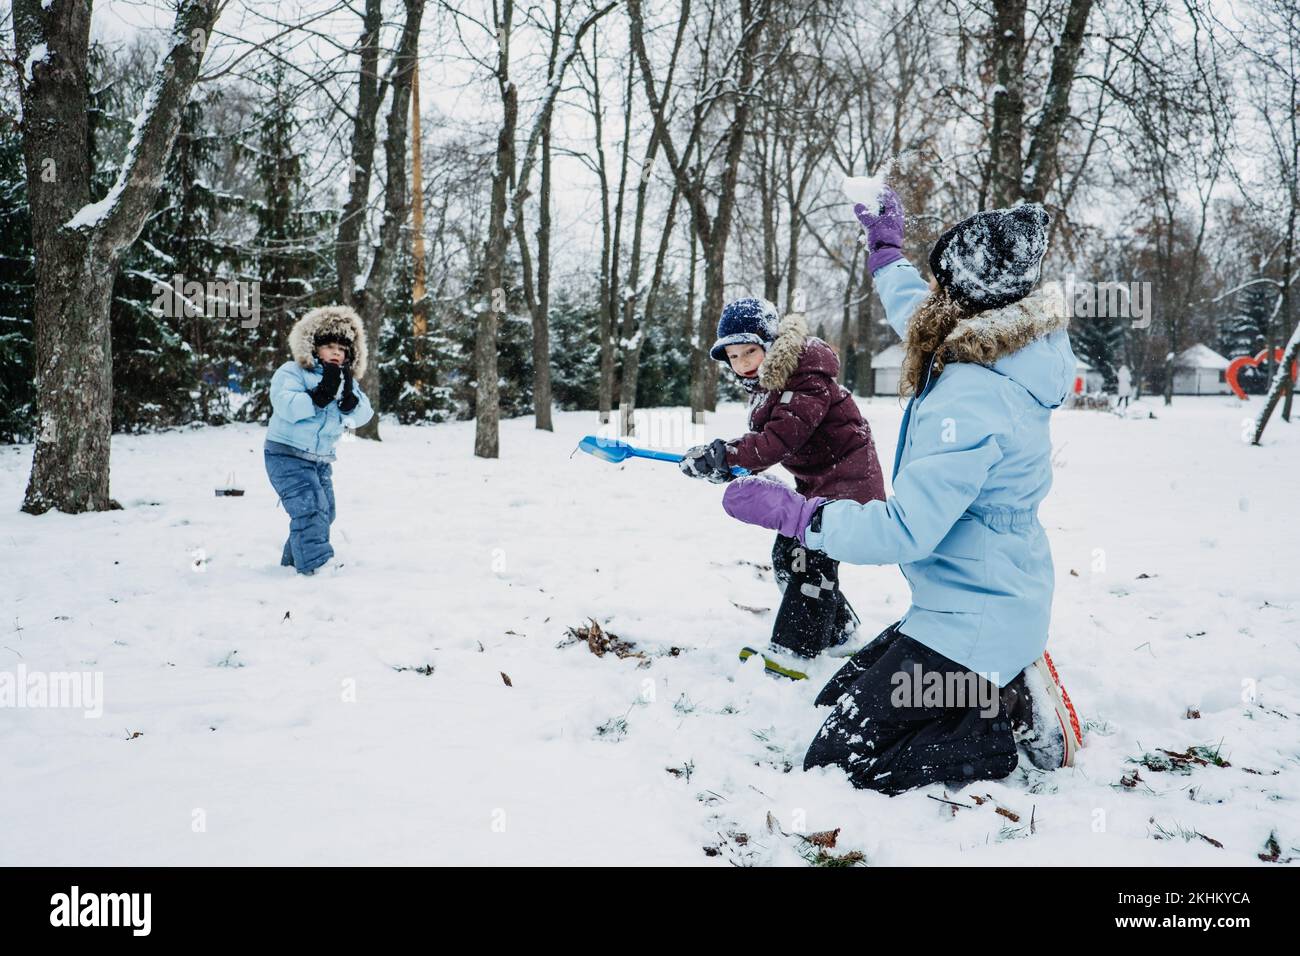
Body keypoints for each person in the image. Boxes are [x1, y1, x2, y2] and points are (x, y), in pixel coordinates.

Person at [721, 188, 1083, 794]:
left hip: (976, 616)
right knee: (836, 697)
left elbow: (904, 531)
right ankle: (992, 681)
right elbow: (919, 312)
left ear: (968, 296)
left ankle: (1002, 716)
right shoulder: (1003, 345)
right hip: (968, 595)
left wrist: (796, 514)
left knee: (841, 762)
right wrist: (887, 256)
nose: (933, 296)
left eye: (944, 284)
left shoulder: (975, 395)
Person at [679, 296, 886, 658]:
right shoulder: (771, 383)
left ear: (770, 345)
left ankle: (794, 652)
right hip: (819, 486)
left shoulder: (805, 380)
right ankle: (840, 632)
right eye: (733, 356)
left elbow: (779, 440)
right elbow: (770, 444)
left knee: (808, 562)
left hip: (848, 484)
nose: (741, 364)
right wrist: (719, 463)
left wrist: (727, 456)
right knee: (786, 556)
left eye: (748, 352)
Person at [264, 305, 373, 575]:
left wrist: (349, 401)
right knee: (311, 509)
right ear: (313, 347)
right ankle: (316, 565)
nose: (336, 352)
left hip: (319, 460)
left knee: (326, 512)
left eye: (342, 348)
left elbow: (364, 415)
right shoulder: (293, 373)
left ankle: (293, 564)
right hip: (285, 455)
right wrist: (319, 395)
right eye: (329, 346)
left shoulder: (347, 381)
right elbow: (286, 406)